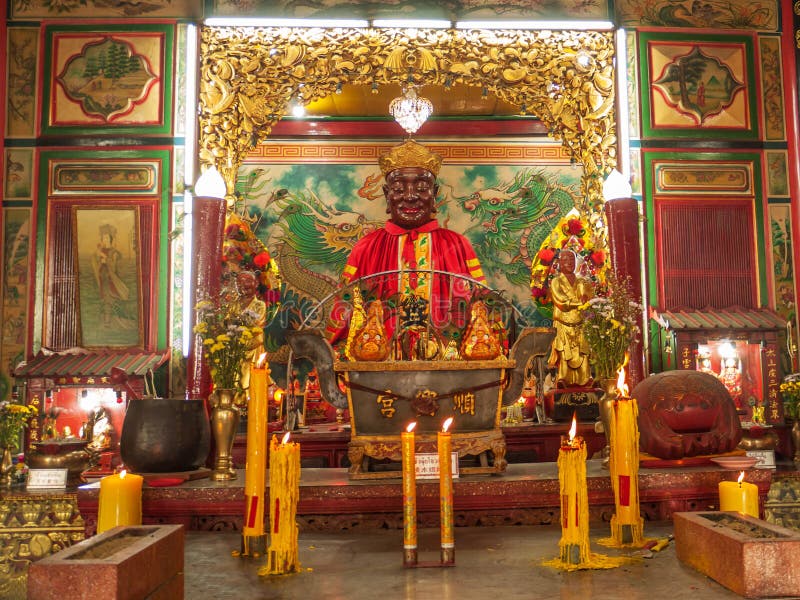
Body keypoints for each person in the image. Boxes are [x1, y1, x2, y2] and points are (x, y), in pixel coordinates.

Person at [330, 140, 486, 349]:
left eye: (421, 188)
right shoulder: (367, 247)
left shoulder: (457, 245)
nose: (410, 196)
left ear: (435, 194)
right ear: (387, 195)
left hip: (448, 365)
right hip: (377, 364)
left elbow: (480, 307)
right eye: (398, 189)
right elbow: (345, 312)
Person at [547, 249, 594, 387]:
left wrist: (586, 296)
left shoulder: (581, 281)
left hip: (580, 323)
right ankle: (563, 378)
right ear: (559, 263)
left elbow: (589, 297)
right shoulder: (556, 281)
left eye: (572, 260)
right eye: (565, 260)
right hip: (563, 323)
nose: (569, 263)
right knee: (564, 352)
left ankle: (586, 378)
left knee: (583, 352)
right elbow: (560, 301)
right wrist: (579, 303)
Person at [233, 270, 267, 391]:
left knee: (252, 379)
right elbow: (228, 322)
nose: (244, 285)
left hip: (253, 346)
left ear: (256, 283)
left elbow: (257, 325)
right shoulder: (234, 304)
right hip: (236, 347)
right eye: (239, 282)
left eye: (248, 281)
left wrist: (239, 325)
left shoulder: (260, 305)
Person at [91, 224, 130, 326]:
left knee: (109, 298)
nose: (105, 239)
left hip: (111, 278)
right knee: (105, 298)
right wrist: (99, 259)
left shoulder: (114, 252)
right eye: (103, 238)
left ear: (111, 239)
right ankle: (109, 317)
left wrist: (105, 258)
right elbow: (96, 263)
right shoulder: (100, 251)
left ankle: (108, 320)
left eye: (107, 237)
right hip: (102, 277)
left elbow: (114, 267)